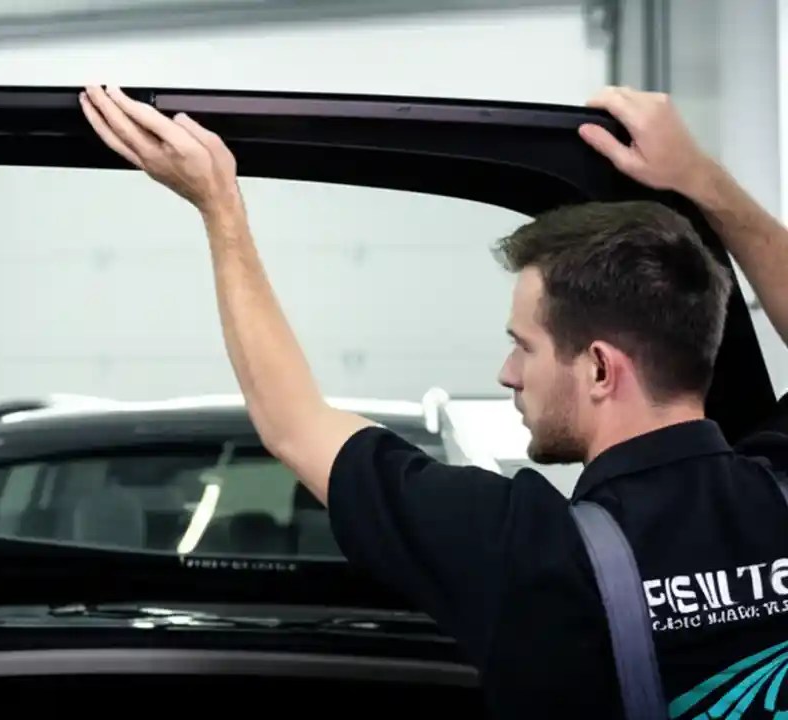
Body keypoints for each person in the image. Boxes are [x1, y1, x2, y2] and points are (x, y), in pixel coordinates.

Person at [79, 83, 788, 719]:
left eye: (525, 346)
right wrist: (703, 180)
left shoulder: (533, 558)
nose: (508, 372)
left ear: (600, 369)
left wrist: (220, 209)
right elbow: (298, 425)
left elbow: (295, 427)